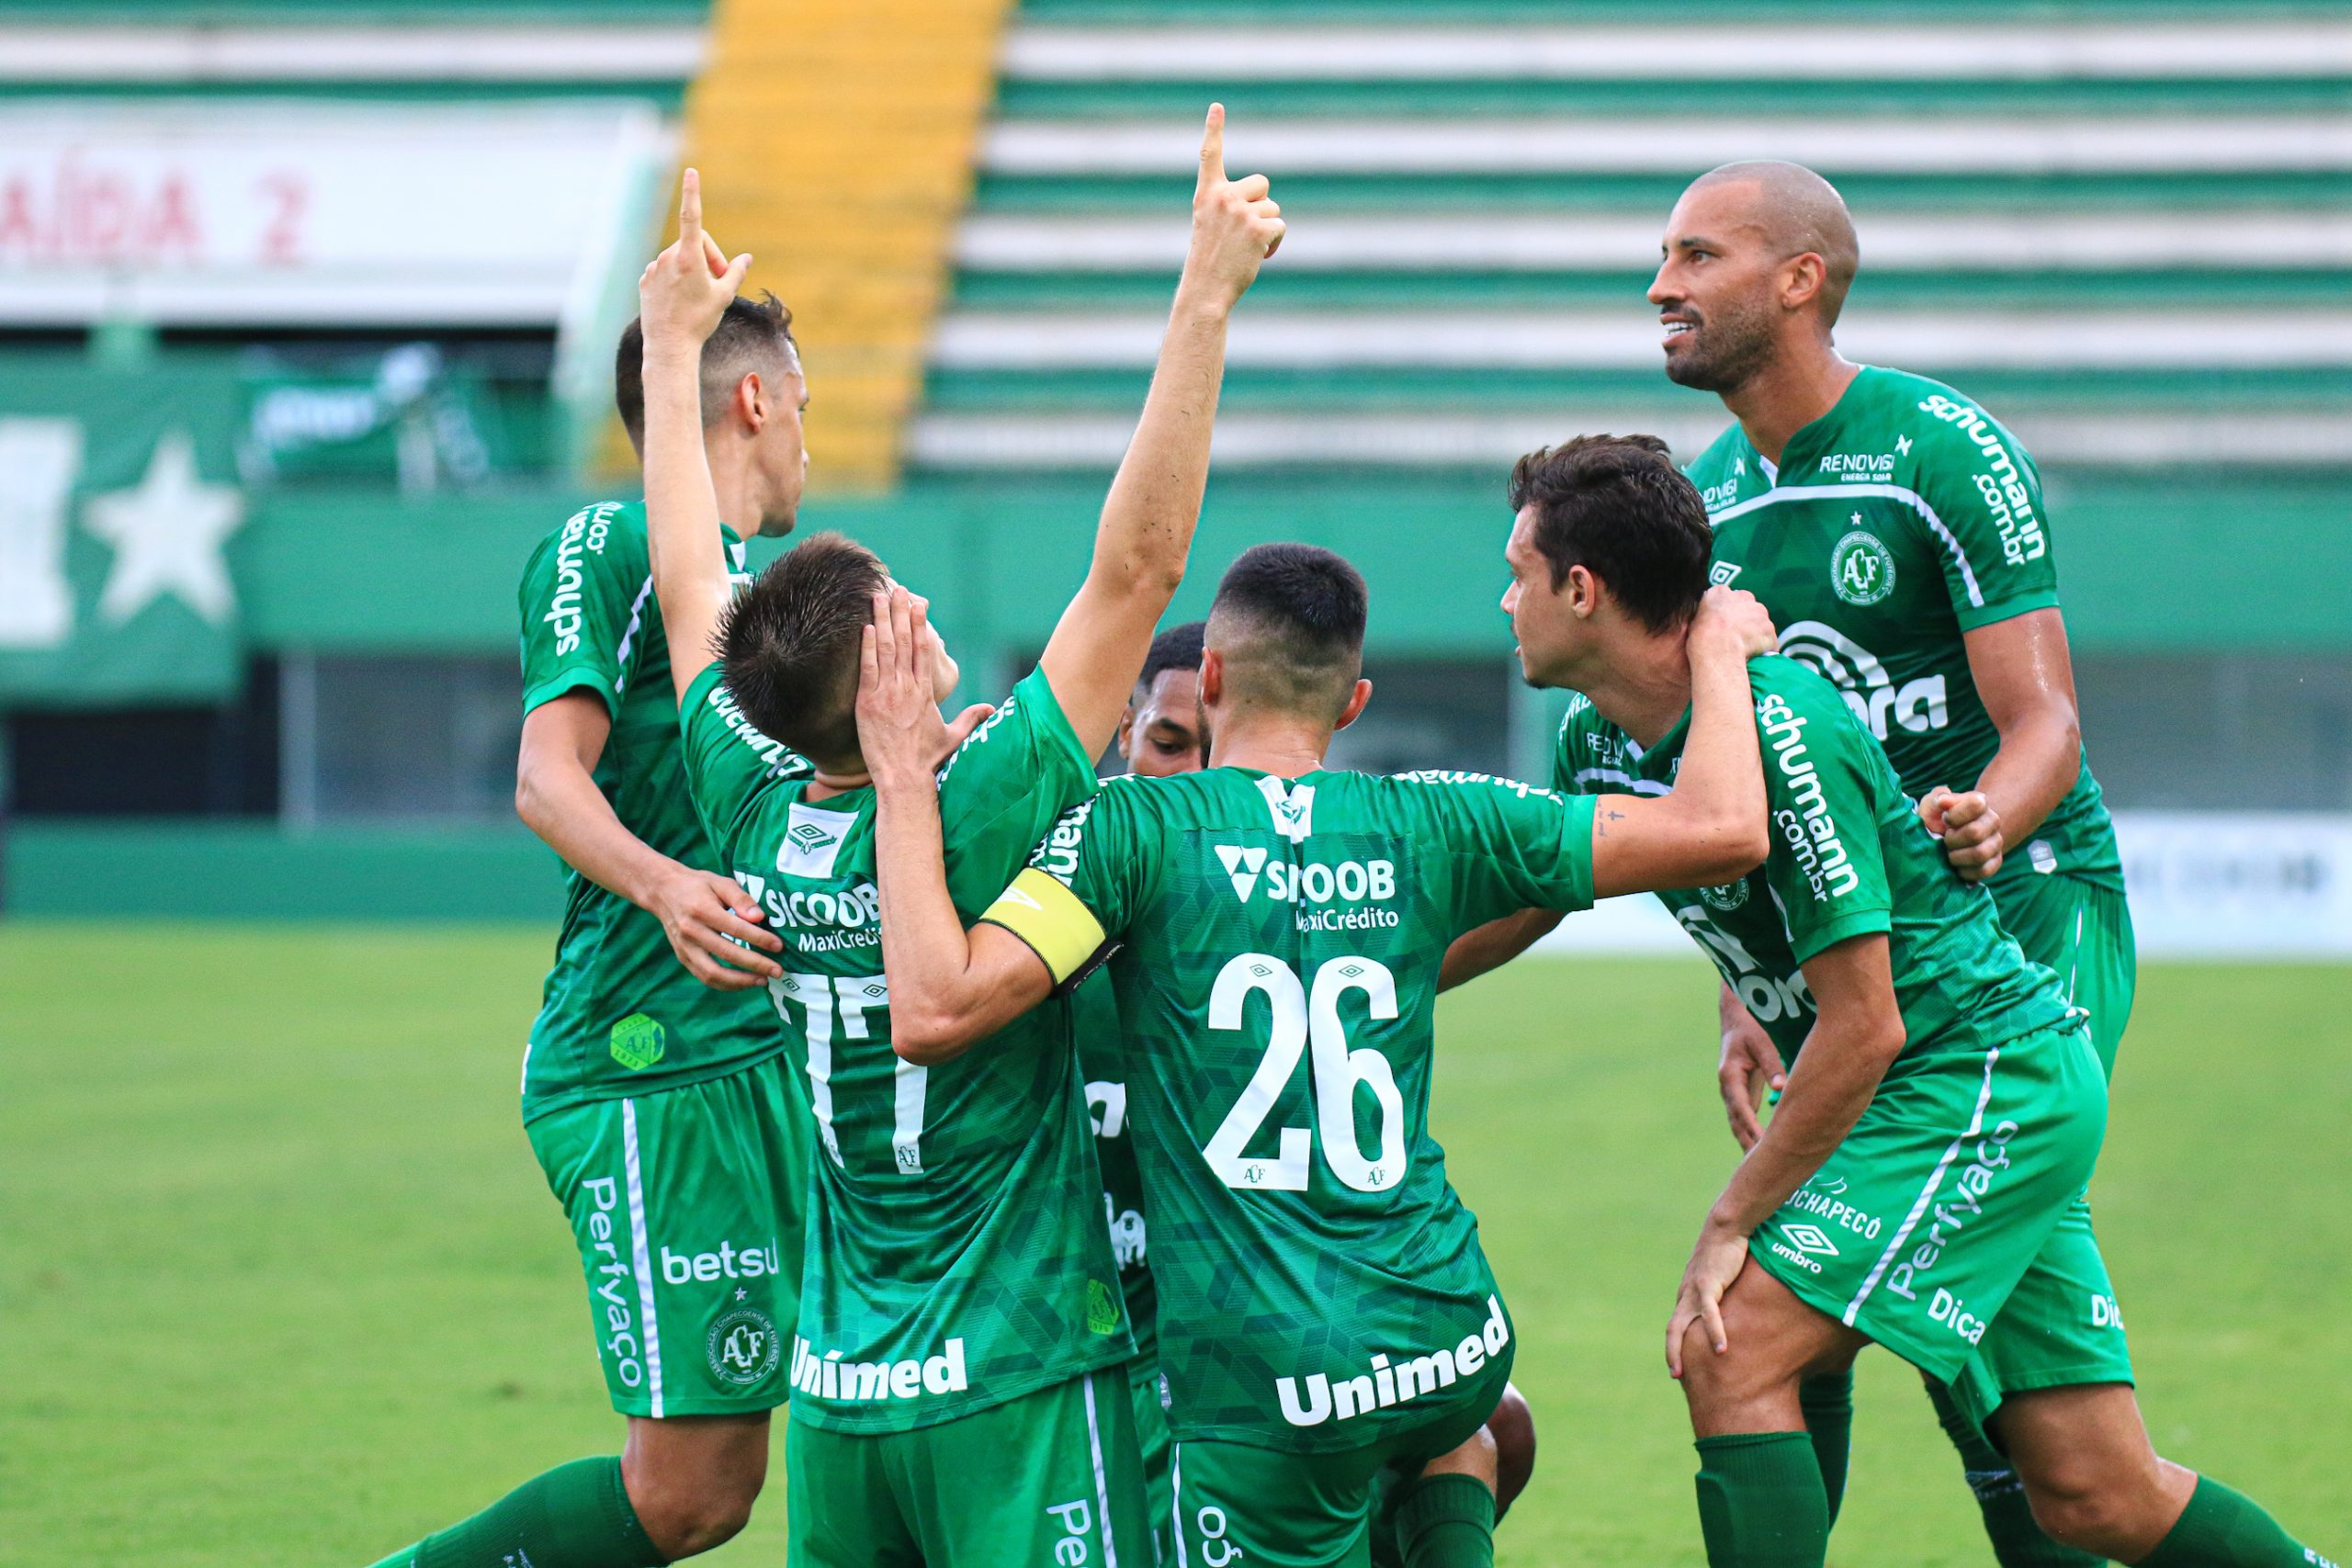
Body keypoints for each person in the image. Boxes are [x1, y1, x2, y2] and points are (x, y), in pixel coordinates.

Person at [1461, 433, 2335, 1568]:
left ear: (1581, 590)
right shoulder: (1596, 740)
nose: (1502, 599)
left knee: (1735, 1343)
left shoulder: (1784, 730)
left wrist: (1728, 1219)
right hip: (1908, 1091)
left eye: (1518, 574)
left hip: (1975, 1079)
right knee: (2094, 1493)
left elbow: (1869, 1021)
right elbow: (1526, 902)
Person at [854, 541, 1776, 1567]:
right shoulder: (1432, 818)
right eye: (1161, 742)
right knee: (1477, 1426)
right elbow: (1723, 828)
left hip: (1256, 1378)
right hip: (1448, 1332)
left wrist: (909, 781)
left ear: (1212, 680)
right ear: (1353, 704)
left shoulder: (1129, 834)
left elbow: (934, 1010)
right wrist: (1725, 650)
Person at [631, 113, 1282, 1562]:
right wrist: (1206, 296)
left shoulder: (750, 796)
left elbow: (692, 586)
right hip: (1019, 1374)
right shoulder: (977, 809)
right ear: (888, 676)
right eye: (909, 615)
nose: (928, 620)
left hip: (845, 1400)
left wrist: (673, 351)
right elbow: (1141, 568)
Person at [1649, 160, 2136, 1562]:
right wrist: (1750, 983)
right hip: (1853, 943)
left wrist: (1991, 808)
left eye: (1697, 255)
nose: (1660, 285)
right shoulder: (1707, 504)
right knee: (1851, 1303)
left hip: (2026, 917)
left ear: (1800, 280)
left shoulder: (1940, 447)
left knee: (1911, 1309)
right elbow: (1752, 796)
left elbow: (2045, 717)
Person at [365, 288, 809, 1568]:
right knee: (689, 1492)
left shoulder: (772, 596)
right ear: (754, 399)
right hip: (648, 1063)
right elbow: (544, 776)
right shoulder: (605, 546)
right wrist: (668, 885)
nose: (808, 447)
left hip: (773, 1061)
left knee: (847, 1420)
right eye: (807, 410)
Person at [1091, 620, 1539, 1560]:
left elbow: (1483, 922)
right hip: (1105, 1339)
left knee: (1487, 1421)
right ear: (1118, 734)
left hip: (1256, 1337)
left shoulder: (1281, 924)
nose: (1202, 782)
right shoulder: (1055, 905)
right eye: (1169, 746)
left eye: (1216, 754)